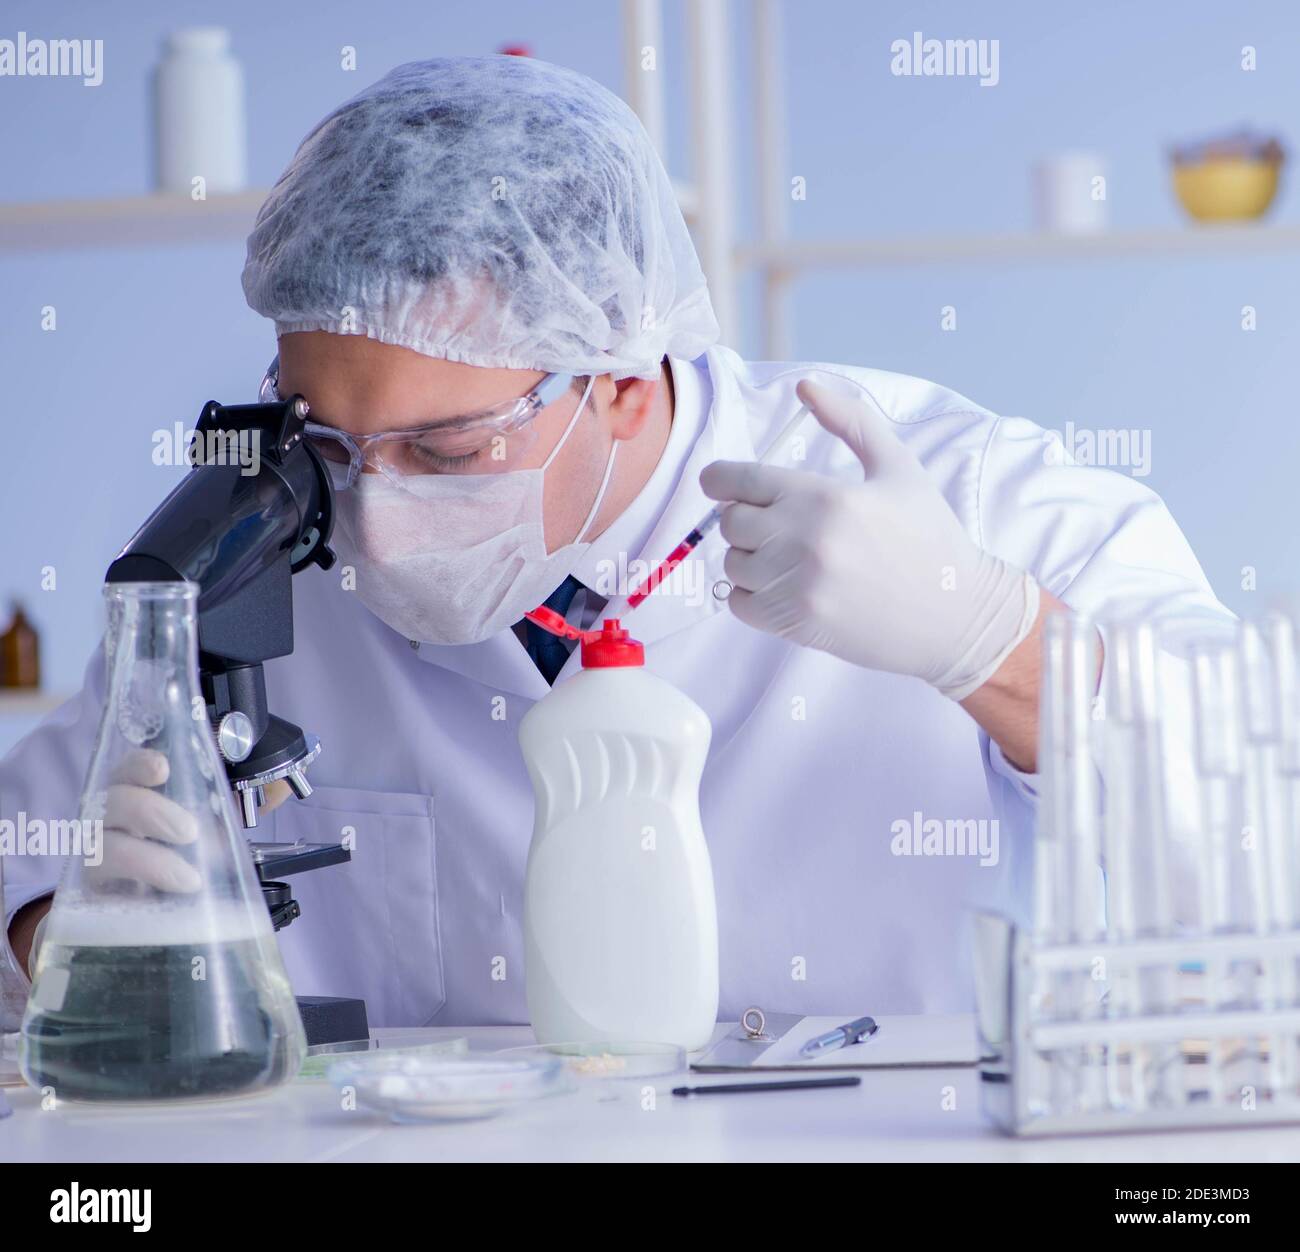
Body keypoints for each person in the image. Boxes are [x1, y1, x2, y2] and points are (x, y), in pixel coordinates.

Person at [2, 56, 1230, 1026]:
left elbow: (1244, 822)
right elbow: (27, 861)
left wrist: (995, 640)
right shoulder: (259, 559)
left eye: (447, 451)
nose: (369, 515)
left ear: (625, 382)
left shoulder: (956, 489)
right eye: (326, 439)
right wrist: (57, 926)